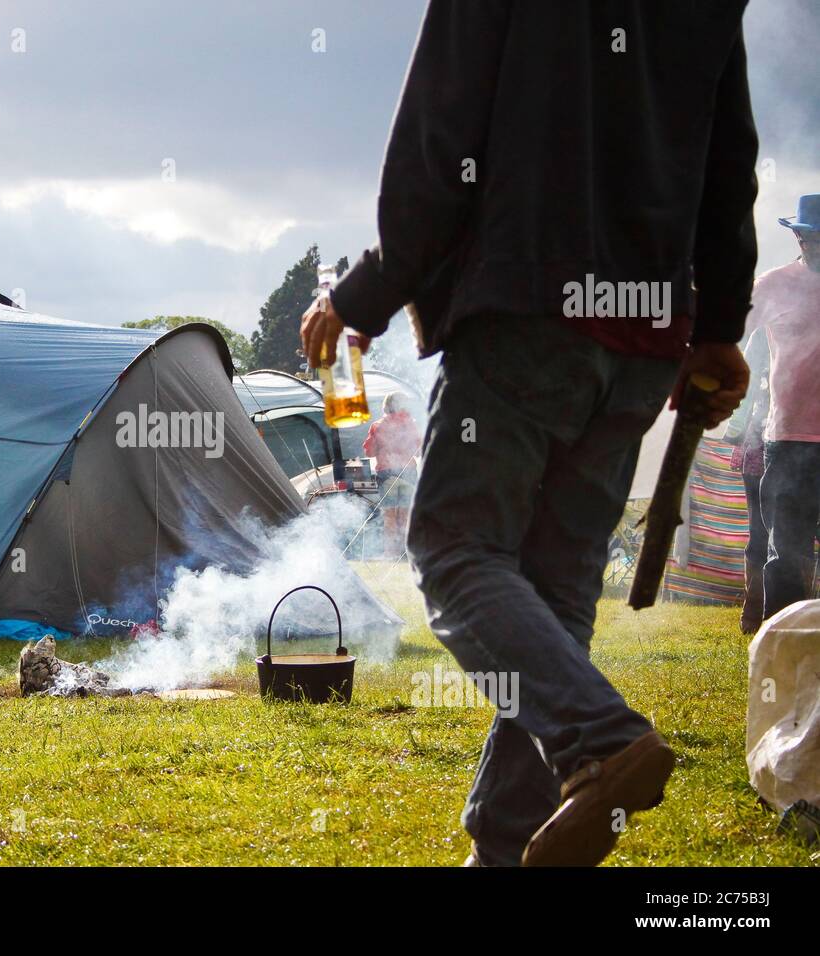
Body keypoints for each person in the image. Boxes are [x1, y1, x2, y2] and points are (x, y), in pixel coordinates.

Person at [302, 0, 755, 866]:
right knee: (554, 593)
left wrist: (368, 289)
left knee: (452, 548)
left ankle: (601, 739)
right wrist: (718, 324)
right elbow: (728, 158)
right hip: (647, 328)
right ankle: (509, 845)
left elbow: (444, 129)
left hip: (529, 303)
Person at [755, 196, 820, 620]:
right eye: (813, 236)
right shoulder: (772, 284)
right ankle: (781, 649)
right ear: (798, 236)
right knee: (785, 556)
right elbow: (728, 339)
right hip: (789, 440)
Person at [725, 327, 769, 633]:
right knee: (760, 532)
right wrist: (738, 427)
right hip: (761, 442)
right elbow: (745, 383)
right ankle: (754, 615)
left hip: (798, 441)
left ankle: (772, 615)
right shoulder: (764, 333)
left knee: (775, 535)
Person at [362, 393, 420, 557]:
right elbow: (418, 450)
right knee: (406, 512)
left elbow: (370, 452)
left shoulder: (378, 425)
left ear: (386, 406)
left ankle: (391, 552)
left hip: (387, 473)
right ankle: (408, 551)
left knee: (390, 514)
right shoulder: (411, 424)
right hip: (408, 471)